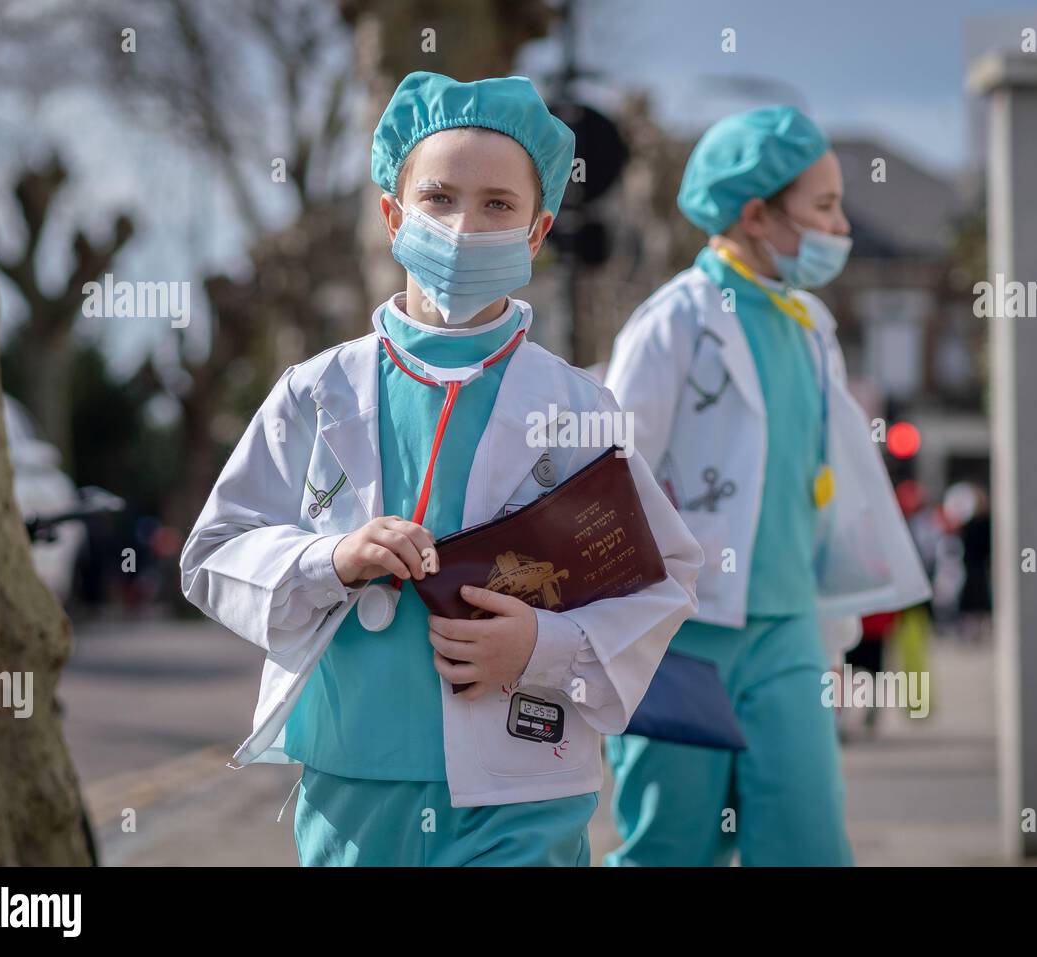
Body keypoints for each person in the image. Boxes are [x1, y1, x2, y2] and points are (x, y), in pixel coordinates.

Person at [179, 71, 702, 867]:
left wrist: (542, 645)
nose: (464, 225)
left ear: (537, 231)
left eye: (498, 204)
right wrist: (329, 559)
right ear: (392, 214)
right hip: (353, 781)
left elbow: (663, 581)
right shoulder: (315, 393)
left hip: (524, 786)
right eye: (438, 198)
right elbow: (214, 552)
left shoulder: (580, 406)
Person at [602, 105, 929, 866]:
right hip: (679, 638)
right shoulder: (672, 324)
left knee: (808, 841)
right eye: (824, 207)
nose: (842, 226)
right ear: (756, 216)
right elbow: (608, 482)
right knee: (672, 848)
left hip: (788, 631)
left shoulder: (810, 324)